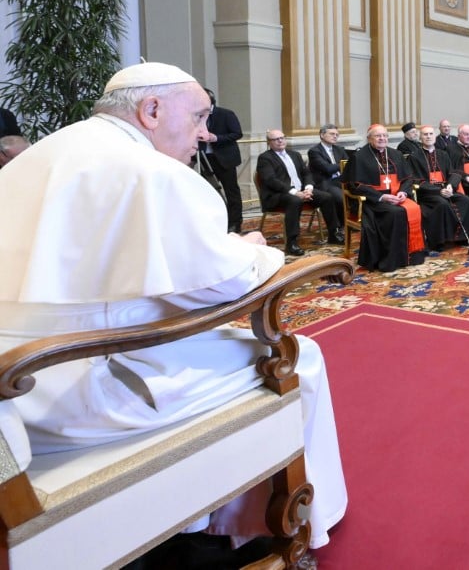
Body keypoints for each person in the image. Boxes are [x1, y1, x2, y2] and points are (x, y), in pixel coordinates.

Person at [0, 62, 346, 549]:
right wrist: (254, 247)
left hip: (19, 395)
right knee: (299, 357)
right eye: (200, 118)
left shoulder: (42, 155)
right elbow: (224, 283)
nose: (206, 135)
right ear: (152, 109)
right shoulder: (150, 171)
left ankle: (197, 520)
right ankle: (294, 523)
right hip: (96, 387)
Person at [342, 124, 429, 272]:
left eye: (385, 135)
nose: (382, 138)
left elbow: (408, 178)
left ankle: (412, 256)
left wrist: (403, 192)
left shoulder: (396, 154)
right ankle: (391, 258)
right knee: (396, 213)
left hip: (397, 196)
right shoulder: (359, 157)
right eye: (378, 136)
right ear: (369, 138)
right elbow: (354, 185)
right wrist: (382, 196)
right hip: (373, 201)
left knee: (415, 208)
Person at [256, 129, 343, 254]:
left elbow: (306, 173)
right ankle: (292, 242)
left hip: (301, 191)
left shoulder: (295, 154)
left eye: (282, 138)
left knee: (327, 197)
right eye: (276, 139)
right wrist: (294, 192)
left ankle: (333, 233)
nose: (280, 141)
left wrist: (308, 188)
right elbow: (271, 180)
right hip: (277, 195)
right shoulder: (265, 158)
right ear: (269, 142)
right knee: (295, 200)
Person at [196, 88, 245, 233]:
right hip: (204, 158)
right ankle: (215, 221)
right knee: (208, 191)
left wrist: (215, 138)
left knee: (231, 191)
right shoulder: (195, 115)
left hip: (225, 158)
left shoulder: (226, 114)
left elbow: (237, 133)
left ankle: (235, 222)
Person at [307, 123, 348, 198]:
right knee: (343, 199)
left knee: (362, 192)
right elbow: (327, 169)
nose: (335, 136)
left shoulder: (339, 149)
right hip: (327, 183)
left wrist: (344, 165)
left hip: (341, 180)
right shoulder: (314, 151)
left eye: (337, 135)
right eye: (332, 134)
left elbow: (349, 165)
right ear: (322, 135)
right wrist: (342, 164)